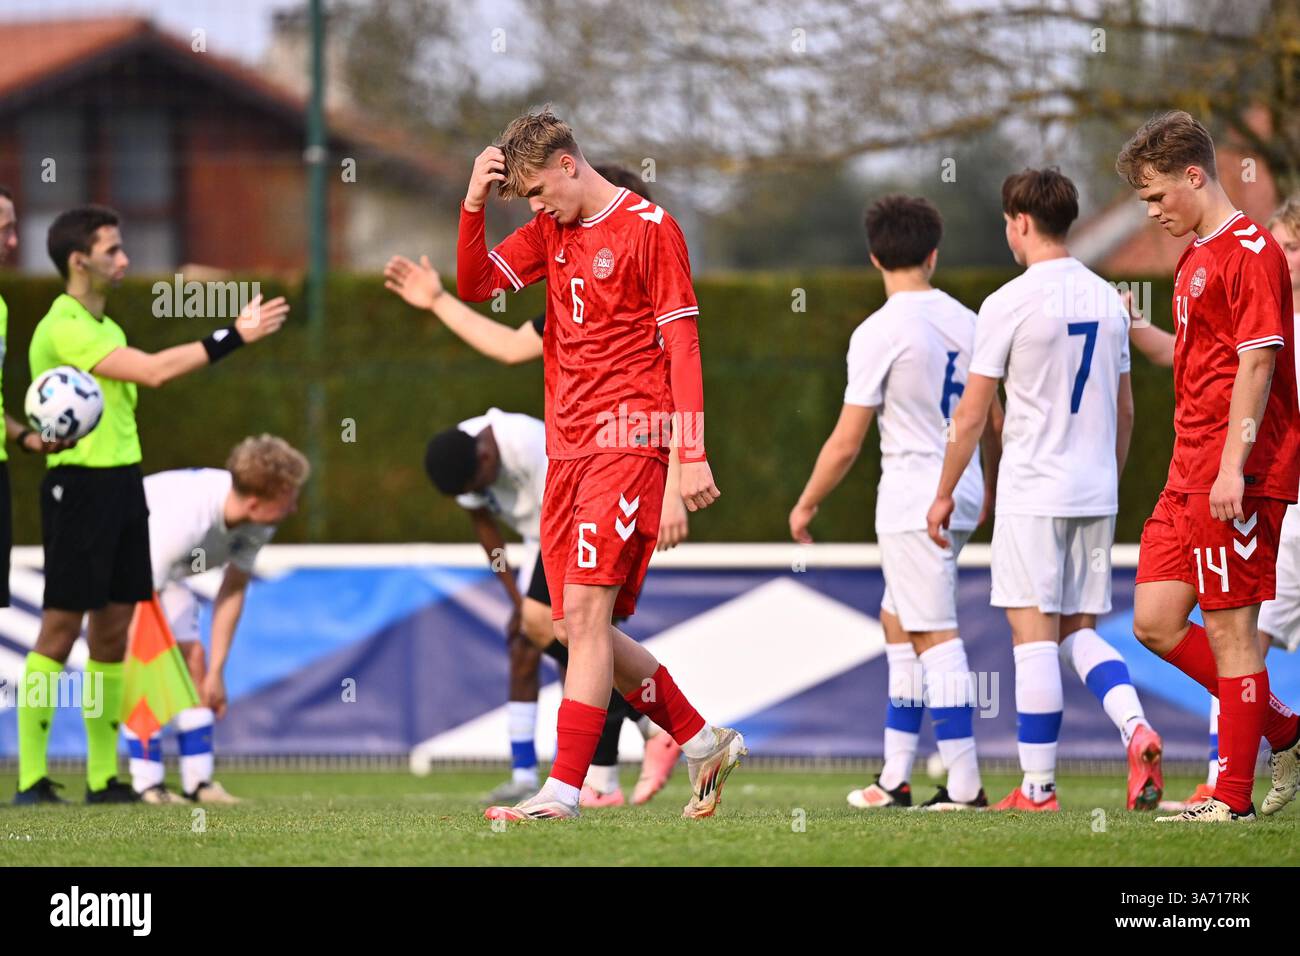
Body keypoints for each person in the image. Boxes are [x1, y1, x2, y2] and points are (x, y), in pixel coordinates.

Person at [389, 107, 741, 821]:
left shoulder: (651, 231)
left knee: (579, 614)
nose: (538, 207)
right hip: (568, 450)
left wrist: (688, 457)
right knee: (572, 622)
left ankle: (564, 790)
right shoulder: (550, 230)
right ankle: (701, 739)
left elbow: (683, 350)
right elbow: (479, 282)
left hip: (629, 439)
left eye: (540, 192)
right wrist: (472, 202)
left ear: (567, 165)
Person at [15, 205, 287, 805]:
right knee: (59, 631)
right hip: (77, 488)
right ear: (79, 260)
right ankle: (32, 777)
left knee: (111, 636)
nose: (124, 260)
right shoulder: (64, 325)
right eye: (113, 250)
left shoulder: (105, 327)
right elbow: (155, 371)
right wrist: (232, 333)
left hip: (122, 488)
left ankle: (101, 777)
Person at [927, 168, 1164, 812]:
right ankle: (1134, 726)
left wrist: (945, 492)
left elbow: (972, 415)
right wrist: (1107, 481)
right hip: (1094, 493)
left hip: (1035, 491)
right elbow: (1127, 412)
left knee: (1033, 637)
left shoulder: (1007, 302)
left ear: (1021, 222)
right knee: (1078, 632)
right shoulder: (1108, 300)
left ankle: (1038, 789)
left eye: (1008, 222)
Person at [1115, 112, 1300, 822]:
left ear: (1196, 175)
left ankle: (1233, 801)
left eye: (1159, 196)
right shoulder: (1195, 256)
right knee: (1155, 622)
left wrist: (1233, 467)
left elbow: (1258, 365)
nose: (1153, 211)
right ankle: (1285, 730)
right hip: (1187, 471)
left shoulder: (1251, 250)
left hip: (1238, 475)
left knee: (1233, 634)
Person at [790, 195, 998, 810]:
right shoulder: (969, 319)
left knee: (933, 633)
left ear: (874, 255)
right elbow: (990, 417)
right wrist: (987, 484)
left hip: (915, 498)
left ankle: (965, 788)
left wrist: (806, 504)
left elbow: (847, 441)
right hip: (962, 489)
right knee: (897, 622)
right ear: (934, 254)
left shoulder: (879, 331)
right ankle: (895, 777)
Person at [423, 408, 678, 806]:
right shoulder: (459, 456)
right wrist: (515, 600)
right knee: (534, 641)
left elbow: (564, 515)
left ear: (487, 459)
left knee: (569, 638)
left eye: (478, 484)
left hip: (576, 524)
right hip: (538, 539)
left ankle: (600, 772)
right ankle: (537, 774)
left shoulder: (524, 443)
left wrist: (533, 607)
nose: (479, 494)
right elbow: (486, 531)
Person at [122, 436, 310, 804]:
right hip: (117, 565)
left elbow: (233, 588)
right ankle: (146, 784)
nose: (294, 509)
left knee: (197, 662)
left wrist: (217, 673)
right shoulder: (181, 522)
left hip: (163, 577)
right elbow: (142, 610)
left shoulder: (257, 521)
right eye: (289, 497)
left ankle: (198, 783)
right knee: (146, 664)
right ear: (256, 502)